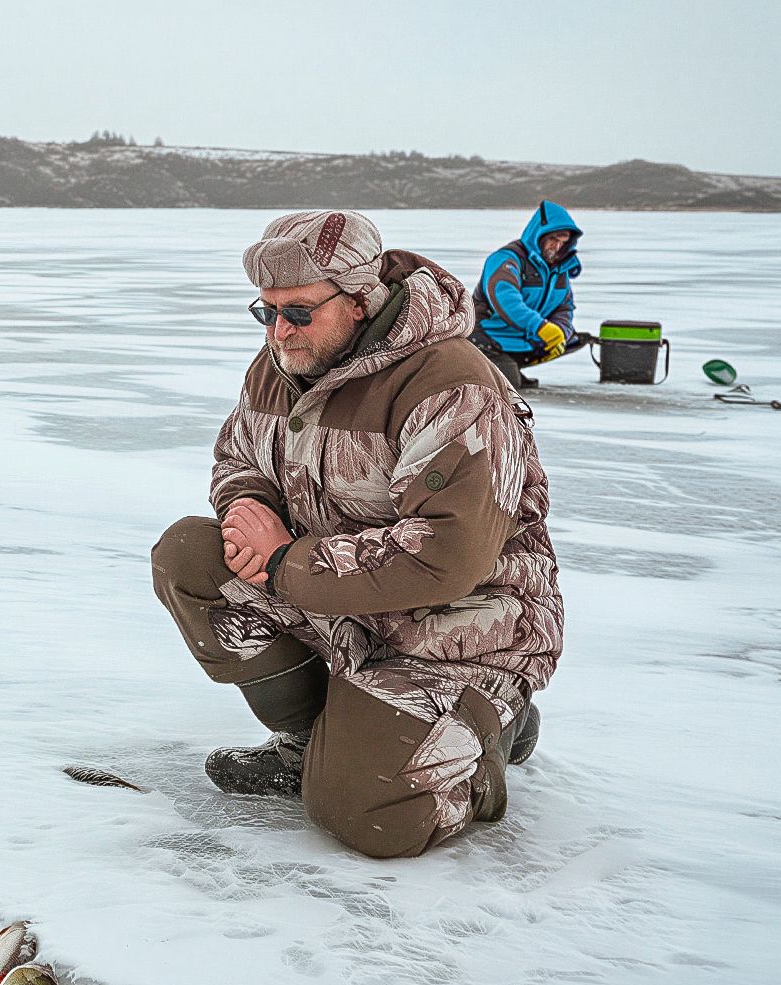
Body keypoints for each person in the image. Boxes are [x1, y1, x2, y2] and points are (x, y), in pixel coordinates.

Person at [151, 210, 563, 859]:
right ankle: (312, 736)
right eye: (266, 312)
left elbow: (446, 557)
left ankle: (489, 733)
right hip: (341, 605)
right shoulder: (281, 365)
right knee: (190, 557)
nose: (279, 331)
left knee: (365, 814)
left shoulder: (451, 385)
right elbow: (239, 459)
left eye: (299, 312)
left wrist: (284, 559)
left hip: (454, 631)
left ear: (361, 298)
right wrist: (247, 511)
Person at [471, 200, 584, 389]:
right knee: (508, 389)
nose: (557, 247)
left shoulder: (559, 269)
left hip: (521, 342)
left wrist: (560, 333)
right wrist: (540, 327)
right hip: (485, 338)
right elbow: (506, 300)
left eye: (563, 242)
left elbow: (564, 307)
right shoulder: (506, 260)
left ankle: (511, 367)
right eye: (553, 239)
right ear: (538, 234)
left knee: (573, 339)